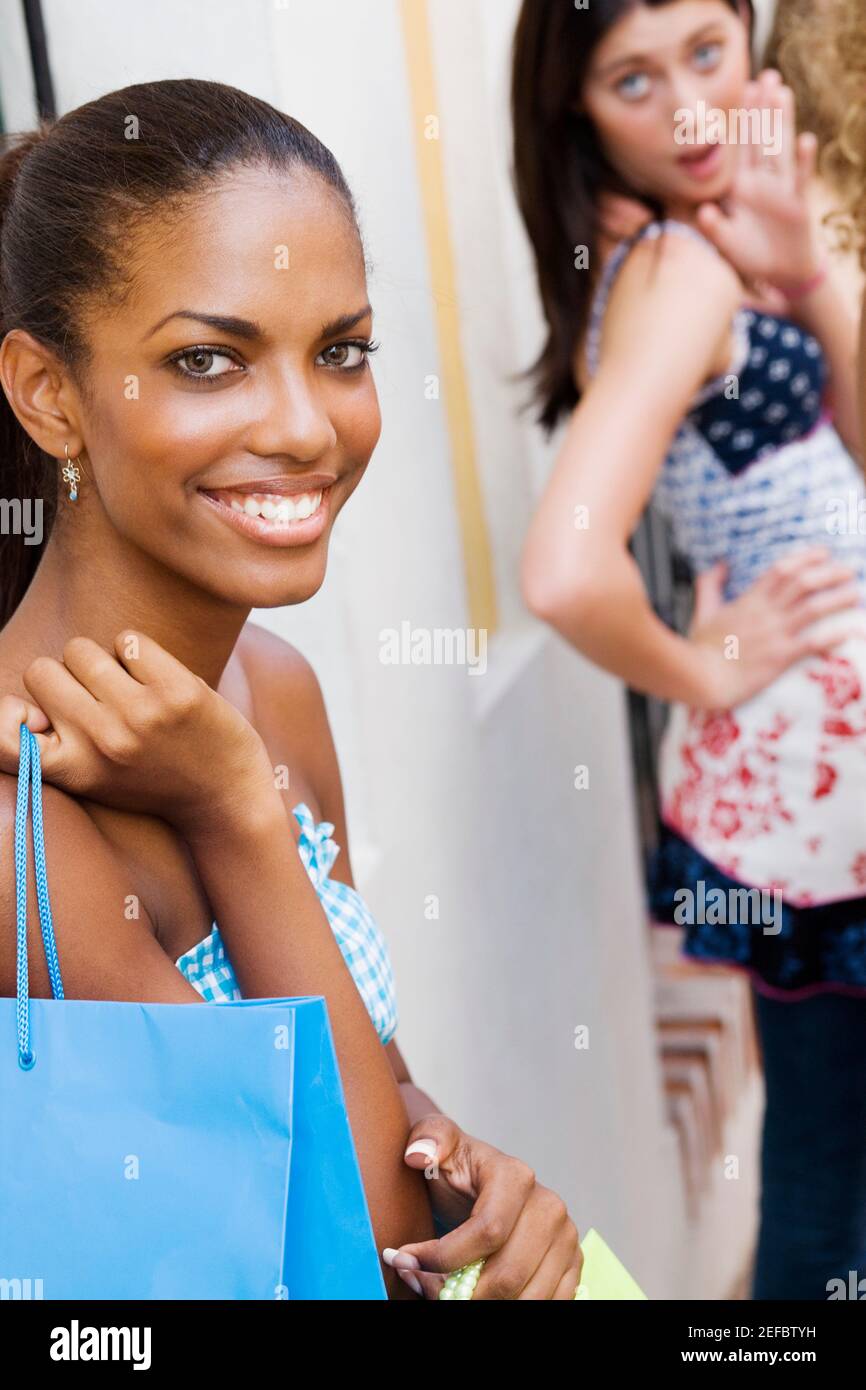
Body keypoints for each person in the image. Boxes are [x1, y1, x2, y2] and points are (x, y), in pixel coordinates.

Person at [0, 78, 581, 1300]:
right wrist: (232, 807)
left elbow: (379, 1118)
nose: (307, 425)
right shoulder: (26, 837)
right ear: (51, 394)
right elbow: (354, 1260)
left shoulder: (275, 683)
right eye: (208, 360)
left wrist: (466, 1167)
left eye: (340, 352)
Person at [513, 0, 866, 1299]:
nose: (689, 107)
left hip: (805, 789)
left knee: (826, 1169)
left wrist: (811, 272)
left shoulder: (696, 245)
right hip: (819, 787)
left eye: (707, 54)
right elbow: (560, 565)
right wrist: (704, 666)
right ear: (576, 110)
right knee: (828, 1186)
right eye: (633, 80)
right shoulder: (676, 269)